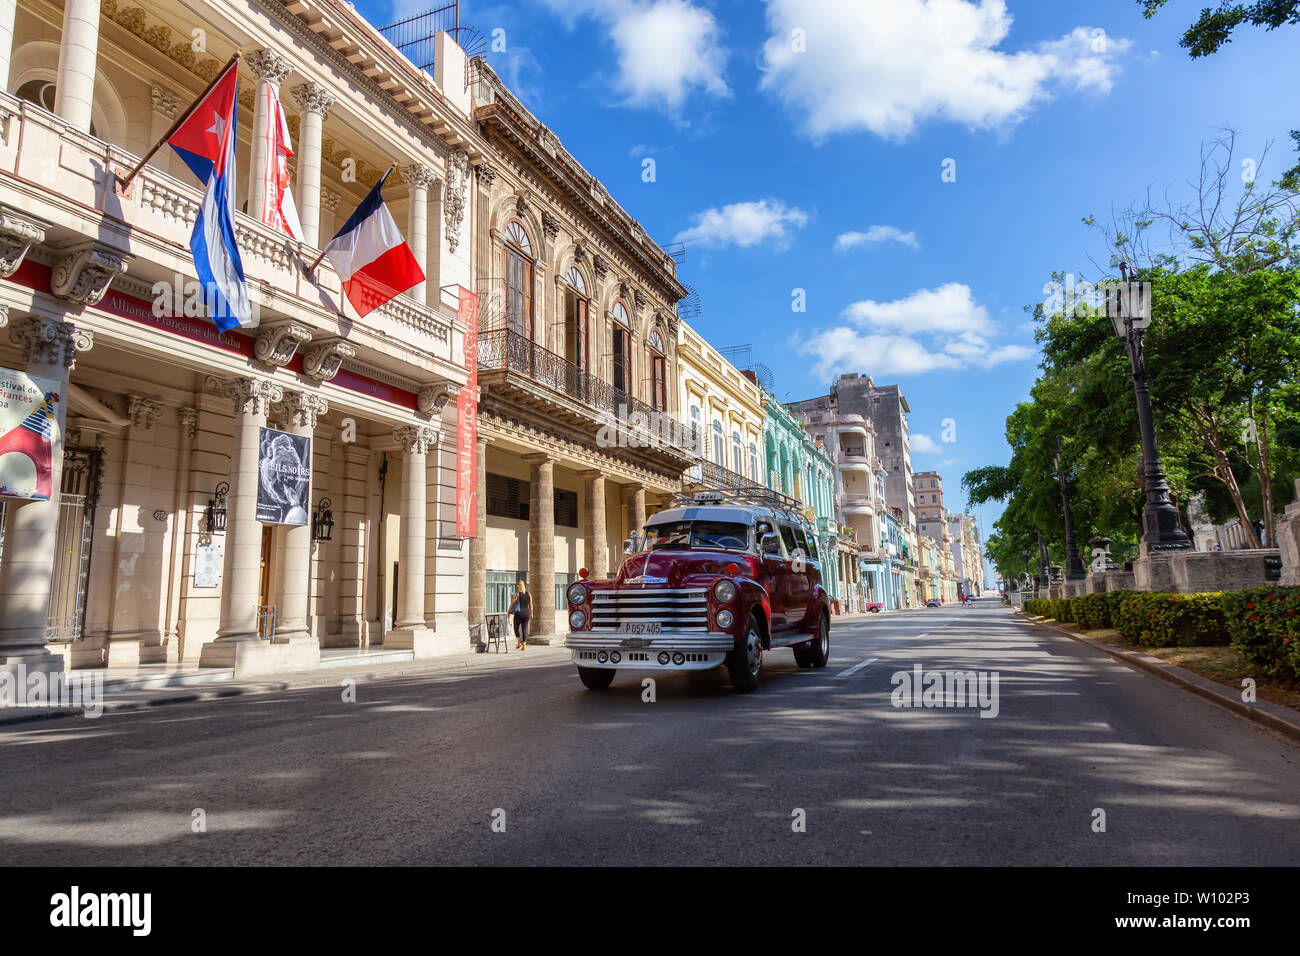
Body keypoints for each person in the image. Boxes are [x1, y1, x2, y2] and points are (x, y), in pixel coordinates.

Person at [509, 580, 532, 650]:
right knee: (524, 628)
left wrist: (508, 611)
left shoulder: (517, 594)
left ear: (518, 586)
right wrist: (532, 613)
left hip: (518, 613)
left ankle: (519, 641)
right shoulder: (528, 594)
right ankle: (524, 645)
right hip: (526, 613)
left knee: (516, 628)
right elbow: (531, 604)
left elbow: (512, 603)